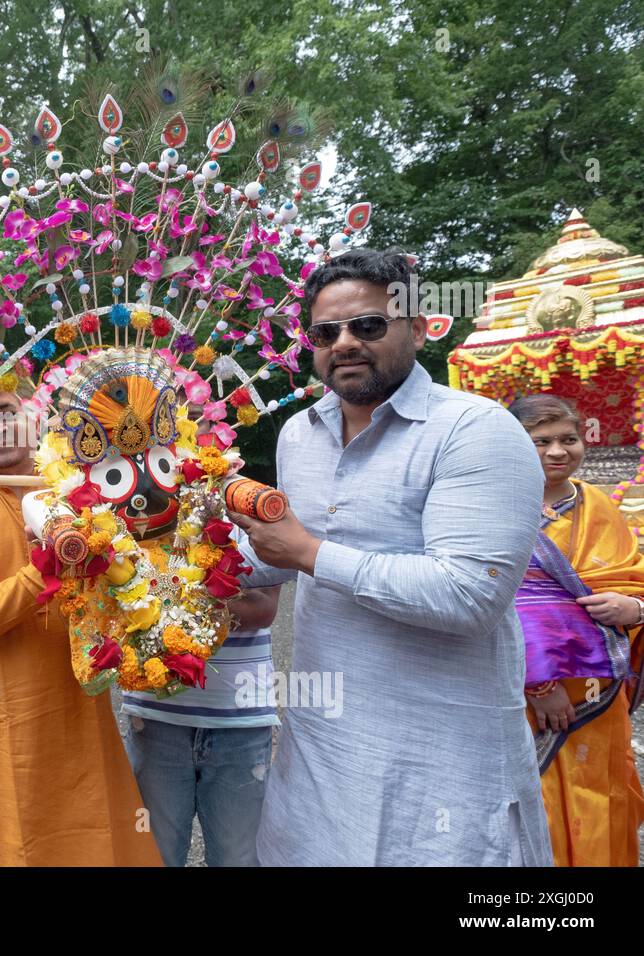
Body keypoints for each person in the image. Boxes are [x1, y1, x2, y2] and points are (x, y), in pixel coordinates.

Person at [229, 248, 551, 865]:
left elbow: (469, 595)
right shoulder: (301, 432)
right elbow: (280, 555)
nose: (345, 343)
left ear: (418, 325)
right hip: (320, 751)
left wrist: (309, 551)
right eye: (326, 332)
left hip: (438, 761)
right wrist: (158, 554)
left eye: (368, 325)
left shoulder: (475, 429)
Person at [0, 374, 162, 865]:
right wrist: (45, 567)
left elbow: (133, 581)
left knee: (95, 836)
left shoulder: (81, 491)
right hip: (4, 716)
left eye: (8, 413)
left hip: (80, 706)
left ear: (33, 418)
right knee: (12, 843)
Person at [507, 394, 644, 866]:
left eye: (568, 439)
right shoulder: (496, 511)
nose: (558, 452)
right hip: (523, 691)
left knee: (601, 790)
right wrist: (539, 684)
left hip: (601, 688)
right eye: (540, 441)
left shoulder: (599, 503)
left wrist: (635, 607)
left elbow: (632, 574)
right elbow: (493, 606)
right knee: (537, 796)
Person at [122, 527, 281, 867]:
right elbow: (117, 597)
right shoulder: (135, 508)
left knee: (237, 858)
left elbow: (262, 608)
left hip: (241, 721)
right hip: (154, 717)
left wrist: (165, 591)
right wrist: (203, 593)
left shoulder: (250, 512)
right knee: (153, 857)